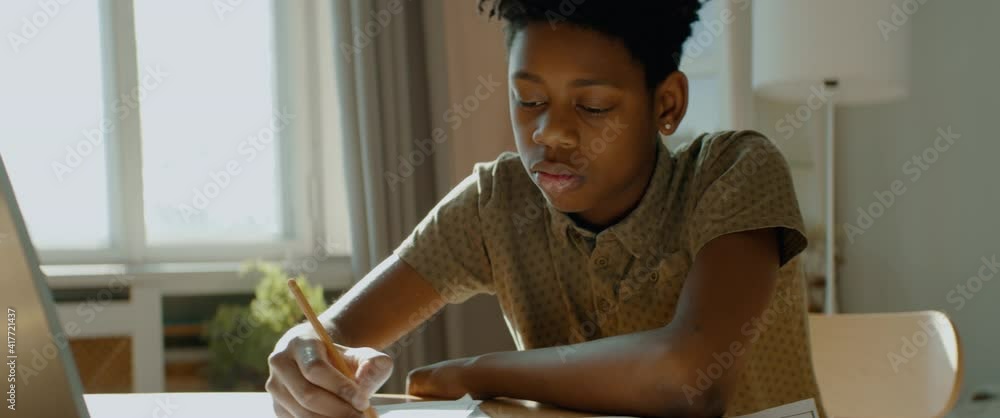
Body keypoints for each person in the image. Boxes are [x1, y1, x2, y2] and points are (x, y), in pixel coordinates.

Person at [265, 1, 826, 417]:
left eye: (593, 106)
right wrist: (303, 354)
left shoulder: (732, 172)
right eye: (528, 99)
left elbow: (690, 379)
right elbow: (332, 331)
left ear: (667, 103)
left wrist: (475, 373)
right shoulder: (498, 202)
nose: (549, 132)